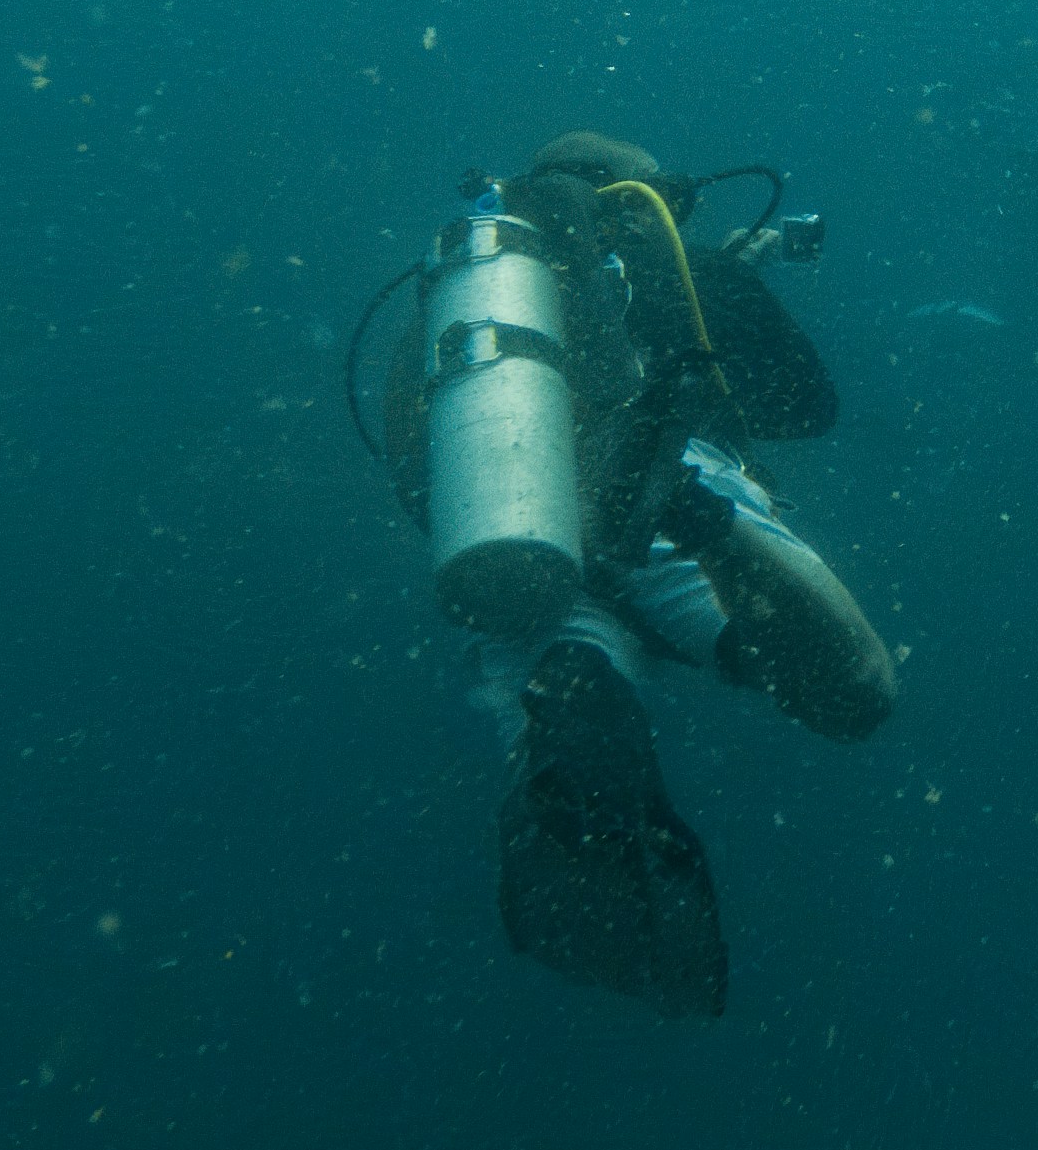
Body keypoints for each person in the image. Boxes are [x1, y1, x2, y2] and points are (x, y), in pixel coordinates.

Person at [371, 132, 893, 1018]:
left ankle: (577, 690)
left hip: (514, 518)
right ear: (640, 199)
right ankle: (703, 526)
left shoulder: (456, 295)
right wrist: (718, 288)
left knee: (571, 657)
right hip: (665, 493)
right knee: (857, 694)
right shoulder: (670, 263)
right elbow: (808, 405)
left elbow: (411, 460)